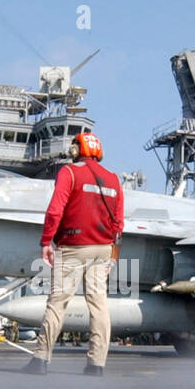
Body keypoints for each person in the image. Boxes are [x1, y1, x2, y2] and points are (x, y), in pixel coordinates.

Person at [23, 131, 124, 376]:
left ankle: (40, 360)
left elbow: (55, 211)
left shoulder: (69, 173)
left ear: (78, 150)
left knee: (57, 304)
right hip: (103, 249)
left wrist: (47, 241)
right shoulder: (113, 179)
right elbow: (119, 223)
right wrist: (113, 256)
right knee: (99, 305)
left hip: (73, 248)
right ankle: (97, 365)